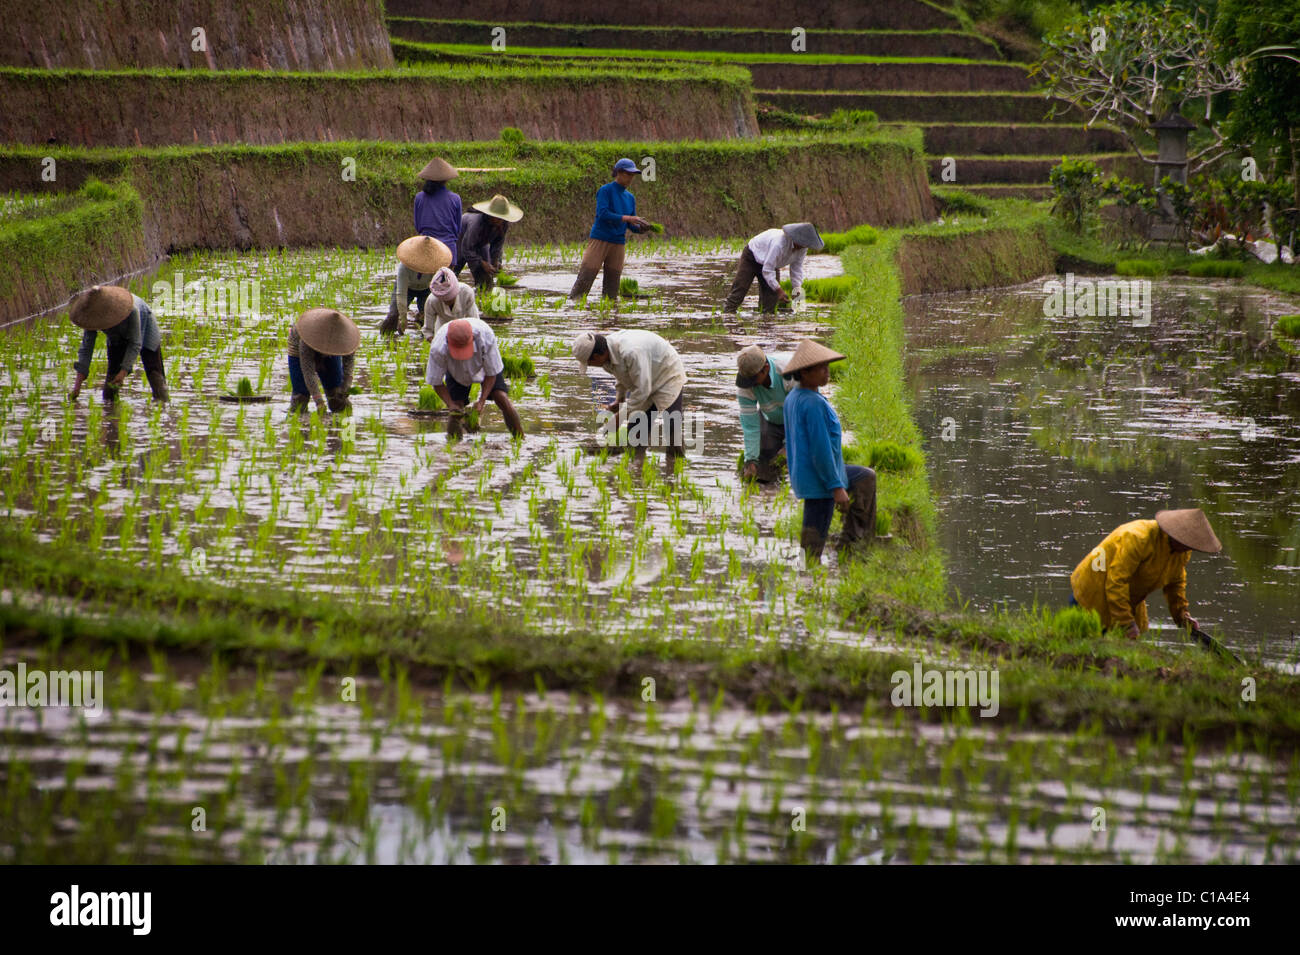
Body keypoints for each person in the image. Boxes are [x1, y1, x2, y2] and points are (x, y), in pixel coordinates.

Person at [783, 338, 876, 563]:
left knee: (865, 477)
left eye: (827, 366)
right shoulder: (812, 404)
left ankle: (851, 545)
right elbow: (820, 450)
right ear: (804, 373)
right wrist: (836, 488)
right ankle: (809, 582)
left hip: (809, 475)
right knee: (812, 546)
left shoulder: (795, 397)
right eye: (821, 368)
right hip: (819, 480)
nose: (827, 372)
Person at [1069, 509, 1221, 639]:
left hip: (1129, 595)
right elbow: (1116, 583)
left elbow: (1176, 582)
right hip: (1093, 590)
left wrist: (1182, 616)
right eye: (1188, 543)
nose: (1189, 548)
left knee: (1127, 648)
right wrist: (1126, 624)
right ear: (1176, 535)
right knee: (1088, 645)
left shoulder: (1181, 552)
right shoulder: (1137, 538)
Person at [572, 329, 686, 457]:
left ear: (597, 356)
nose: (591, 366)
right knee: (635, 434)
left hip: (667, 374)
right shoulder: (606, 353)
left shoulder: (630, 352)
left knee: (672, 427)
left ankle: (675, 468)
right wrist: (619, 398)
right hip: (644, 379)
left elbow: (643, 391)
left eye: (589, 363)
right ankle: (637, 468)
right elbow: (622, 375)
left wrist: (619, 417)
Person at [426, 317, 524, 437]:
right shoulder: (438, 348)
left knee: (501, 397)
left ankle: (520, 438)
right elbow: (436, 381)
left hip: (482, 364)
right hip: (455, 370)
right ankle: (454, 448)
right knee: (456, 408)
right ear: (448, 342)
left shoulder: (485, 336)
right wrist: (450, 404)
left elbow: (491, 373)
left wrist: (481, 401)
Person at [569, 158, 651, 303]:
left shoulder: (630, 198)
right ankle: (575, 312)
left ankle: (610, 319)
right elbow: (603, 213)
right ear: (618, 173)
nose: (631, 178)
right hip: (600, 239)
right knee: (585, 280)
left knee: (612, 288)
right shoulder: (605, 190)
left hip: (618, 243)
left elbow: (631, 225)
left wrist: (641, 228)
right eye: (628, 174)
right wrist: (627, 218)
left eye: (633, 175)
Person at [68, 285, 169, 402]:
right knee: (109, 392)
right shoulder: (92, 317)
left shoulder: (132, 310)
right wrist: (77, 386)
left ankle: (163, 414)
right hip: (116, 338)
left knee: (157, 382)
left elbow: (135, 343)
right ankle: (113, 418)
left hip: (145, 328)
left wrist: (124, 371)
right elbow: (86, 348)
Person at [723, 222, 824, 314]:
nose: (804, 247)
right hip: (752, 257)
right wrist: (779, 290)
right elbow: (767, 270)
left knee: (770, 301)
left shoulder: (803, 248)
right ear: (796, 239)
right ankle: (727, 316)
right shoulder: (779, 244)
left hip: (772, 263)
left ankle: (766, 327)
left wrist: (797, 289)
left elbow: (796, 268)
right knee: (740, 290)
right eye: (803, 244)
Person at [735, 344, 793, 482]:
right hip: (772, 418)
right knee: (766, 461)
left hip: (802, 419)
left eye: (753, 380)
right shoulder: (745, 386)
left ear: (765, 369)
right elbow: (750, 426)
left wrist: (789, 446)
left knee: (798, 458)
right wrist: (751, 461)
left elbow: (802, 414)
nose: (750, 385)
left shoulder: (789, 372)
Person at [288, 307, 359, 414]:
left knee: (337, 397)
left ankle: (339, 427)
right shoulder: (305, 341)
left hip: (332, 354)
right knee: (300, 399)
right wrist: (319, 402)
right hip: (299, 348)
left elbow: (348, 366)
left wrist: (345, 388)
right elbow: (308, 373)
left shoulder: (347, 339)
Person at [380, 234, 452, 336]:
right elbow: (401, 293)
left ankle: (423, 336)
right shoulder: (404, 267)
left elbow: (437, 291)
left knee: (428, 317)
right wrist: (403, 318)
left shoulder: (435, 268)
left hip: (426, 290)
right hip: (407, 289)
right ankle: (386, 339)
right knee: (393, 314)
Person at [456, 194, 523, 293]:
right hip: (461, 239)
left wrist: (496, 262)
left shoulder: (503, 224)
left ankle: (482, 297)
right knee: (453, 271)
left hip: (482, 243)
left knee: (486, 279)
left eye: (502, 218)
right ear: (490, 215)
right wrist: (482, 263)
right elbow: (467, 248)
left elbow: (497, 246)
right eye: (497, 217)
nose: (499, 221)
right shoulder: (476, 224)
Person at [414, 157, 462, 262]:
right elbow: (458, 229)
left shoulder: (419, 198)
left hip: (426, 248)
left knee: (428, 278)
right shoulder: (455, 198)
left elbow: (418, 226)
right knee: (447, 278)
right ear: (446, 180)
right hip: (448, 250)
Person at [422, 267, 479, 341]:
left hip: (464, 329)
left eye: (450, 299)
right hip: (442, 330)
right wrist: (437, 344)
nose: (447, 302)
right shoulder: (432, 300)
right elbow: (428, 330)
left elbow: (474, 322)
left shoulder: (466, 293)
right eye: (444, 300)